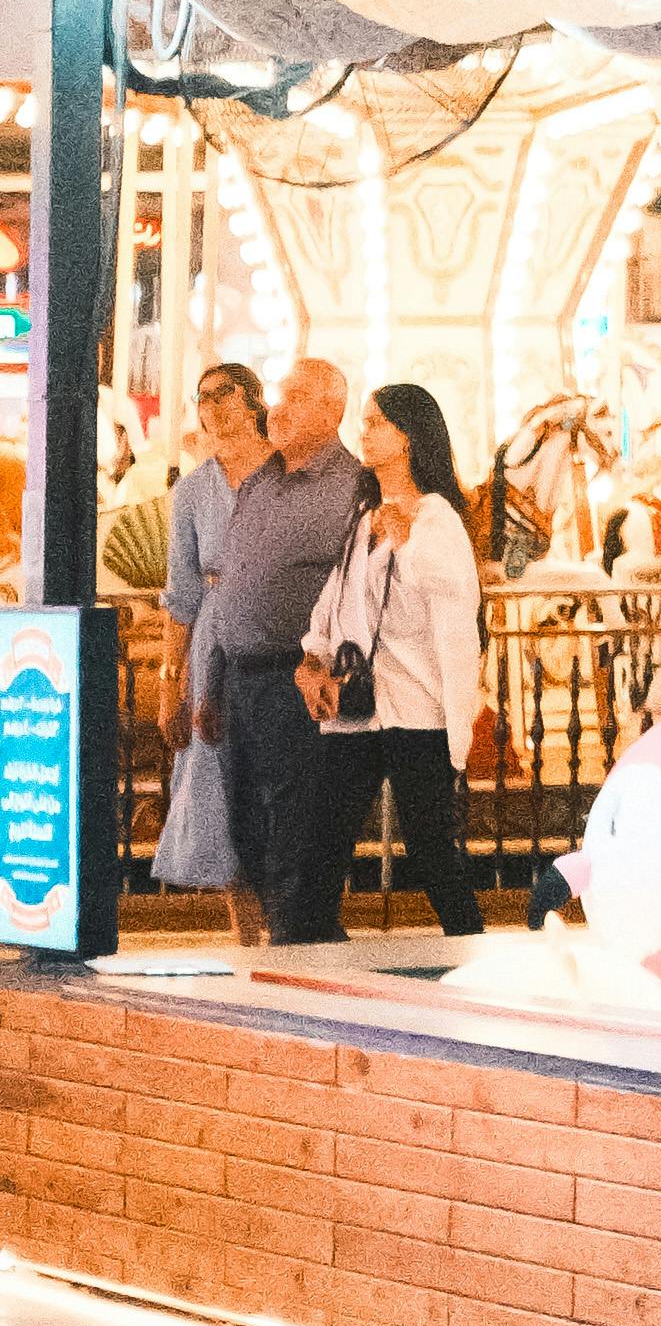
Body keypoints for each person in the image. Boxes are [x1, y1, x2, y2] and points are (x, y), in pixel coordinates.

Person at [277, 384, 490, 945]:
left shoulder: (437, 518)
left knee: (430, 850)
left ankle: (474, 951)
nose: (364, 432)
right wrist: (312, 659)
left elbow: (454, 608)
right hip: (358, 704)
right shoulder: (365, 514)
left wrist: (406, 544)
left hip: (416, 709)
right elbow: (336, 598)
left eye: (377, 423)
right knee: (322, 839)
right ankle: (312, 948)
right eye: (365, 422)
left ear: (409, 437)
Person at [190, 353, 368, 947]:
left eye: (294, 398)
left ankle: (298, 940)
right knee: (245, 823)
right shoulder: (261, 482)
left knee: (295, 823)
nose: (279, 408)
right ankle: (306, 935)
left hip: (298, 681)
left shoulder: (350, 488)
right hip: (241, 679)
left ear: (331, 410)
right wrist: (211, 682)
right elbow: (229, 589)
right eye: (280, 397)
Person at [154, 360, 272, 919]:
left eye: (225, 394)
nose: (214, 407)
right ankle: (245, 931)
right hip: (213, 644)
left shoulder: (283, 473)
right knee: (216, 786)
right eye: (204, 398)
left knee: (276, 781)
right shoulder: (195, 491)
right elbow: (180, 594)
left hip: (277, 635)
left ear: (253, 401)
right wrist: (168, 683)